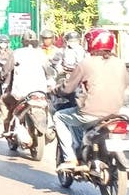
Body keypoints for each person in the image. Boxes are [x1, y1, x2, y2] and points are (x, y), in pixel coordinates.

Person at [54, 28, 129, 171]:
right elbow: (125, 84)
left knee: (59, 117)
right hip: (116, 113)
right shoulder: (119, 63)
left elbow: (67, 89)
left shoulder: (85, 63)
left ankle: (70, 158)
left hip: (91, 114)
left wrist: (55, 90)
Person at [2, 30, 53, 134]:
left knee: (3, 100)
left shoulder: (16, 53)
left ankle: (7, 128)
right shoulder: (41, 54)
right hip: (40, 92)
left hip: (21, 92)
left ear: (23, 41)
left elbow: (5, 70)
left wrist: (0, 75)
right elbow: (49, 72)